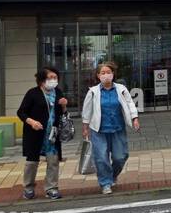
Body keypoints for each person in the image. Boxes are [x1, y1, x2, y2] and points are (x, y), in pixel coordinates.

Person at [80, 61, 140, 195]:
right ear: (98, 76)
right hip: (99, 130)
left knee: (121, 156)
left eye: (108, 72)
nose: (106, 75)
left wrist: (134, 118)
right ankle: (105, 183)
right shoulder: (93, 92)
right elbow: (87, 110)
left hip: (118, 128)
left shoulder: (121, 89)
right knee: (101, 158)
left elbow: (130, 104)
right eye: (103, 73)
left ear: (113, 74)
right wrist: (85, 127)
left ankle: (112, 175)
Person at [16, 67, 69, 201]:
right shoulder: (32, 93)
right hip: (35, 133)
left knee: (53, 161)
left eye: (55, 78)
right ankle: (28, 188)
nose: (53, 80)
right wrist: (32, 122)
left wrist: (63, 106)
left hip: (52, 133)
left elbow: (62, 114)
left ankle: (52, 188)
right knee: (32, 162)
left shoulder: (58, 92)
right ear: (41, 80)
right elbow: (21, 112)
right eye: (50, 77)